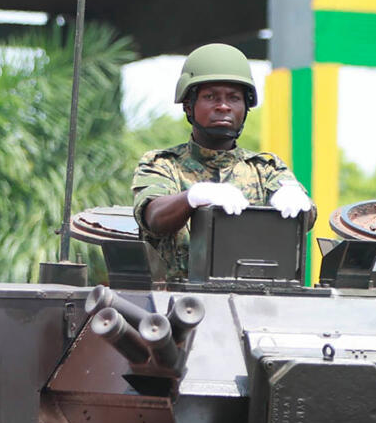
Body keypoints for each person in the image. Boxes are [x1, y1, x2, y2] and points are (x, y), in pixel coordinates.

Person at [132, 43, 313, 284]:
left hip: (255, 297)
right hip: (175, 300)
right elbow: (153, 217)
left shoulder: (266, 169)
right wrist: (191, 198)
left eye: (234, 98)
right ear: (189, 105)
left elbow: (306, 216)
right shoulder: (163, 164)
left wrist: (299, 203)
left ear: (245, 108)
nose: (223, 106)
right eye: (210, 97)